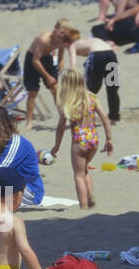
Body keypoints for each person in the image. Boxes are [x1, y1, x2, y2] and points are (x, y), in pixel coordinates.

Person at [48, 68, 112, 209]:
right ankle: (90, 197)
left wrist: (56, 146)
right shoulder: (92, 98)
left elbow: (60, 128)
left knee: (78, 175)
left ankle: (83, 206)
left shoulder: (68, 102)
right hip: (94, 140)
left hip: (79, 142)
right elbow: (105, 118)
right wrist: (109, 139)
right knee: (84, 170)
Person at [64, 29, 120, 122]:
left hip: (97, 55)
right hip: (111, 55)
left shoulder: (72, 46)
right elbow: (112, 46)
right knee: (112, 87)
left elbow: (73, 67)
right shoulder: (89, 40)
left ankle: (84, 116)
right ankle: (114, 117)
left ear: (66, 42)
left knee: (90, 90)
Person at [22, 21, 68, 129]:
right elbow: (35, 61)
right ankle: (29, 122)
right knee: (33, 92)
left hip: (47, 58)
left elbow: (61, 57)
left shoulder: (62, 40)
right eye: (61, 32)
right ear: (55, 28)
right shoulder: (44, 39)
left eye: (64, 33)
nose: (62, 35)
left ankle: (63, 118)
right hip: (32, 59)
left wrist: (61, 69)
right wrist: (48, 77)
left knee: (55, 88)